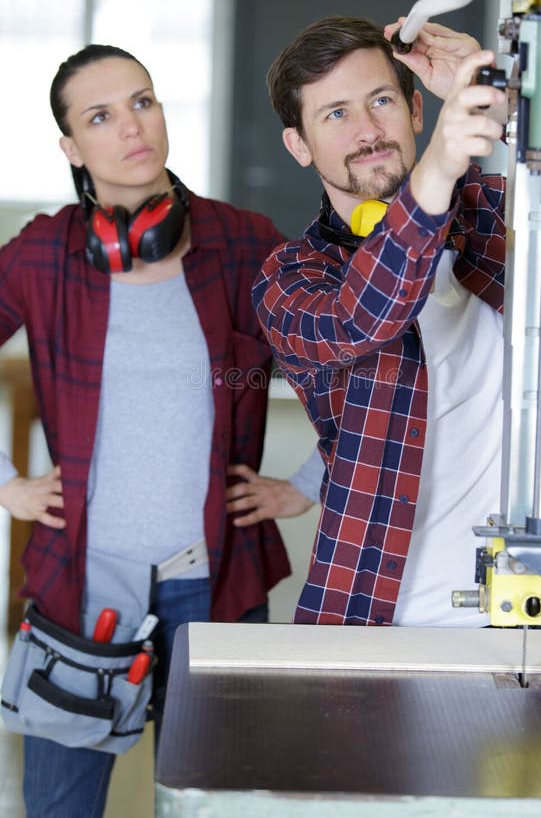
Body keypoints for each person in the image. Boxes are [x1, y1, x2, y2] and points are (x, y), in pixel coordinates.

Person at [0, 42, 319, 817]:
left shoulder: (244, 242)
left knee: (218, 807)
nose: (132, 127)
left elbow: (349, 366)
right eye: (101, 116)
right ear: (73, 148)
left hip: (218, 584)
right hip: (80, 589)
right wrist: (6, 486)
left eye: (143, 101)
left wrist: (308, 484)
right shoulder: (42, 254)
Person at [252, 15, 541, 627]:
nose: (368, 131)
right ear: (299, 146)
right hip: (391, 617)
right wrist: (435, 169)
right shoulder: (290, 279)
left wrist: (516, 99)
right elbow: (362, 320)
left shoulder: (486, 210)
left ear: (416, 108)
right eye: (335, 114)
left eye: (380, 100)